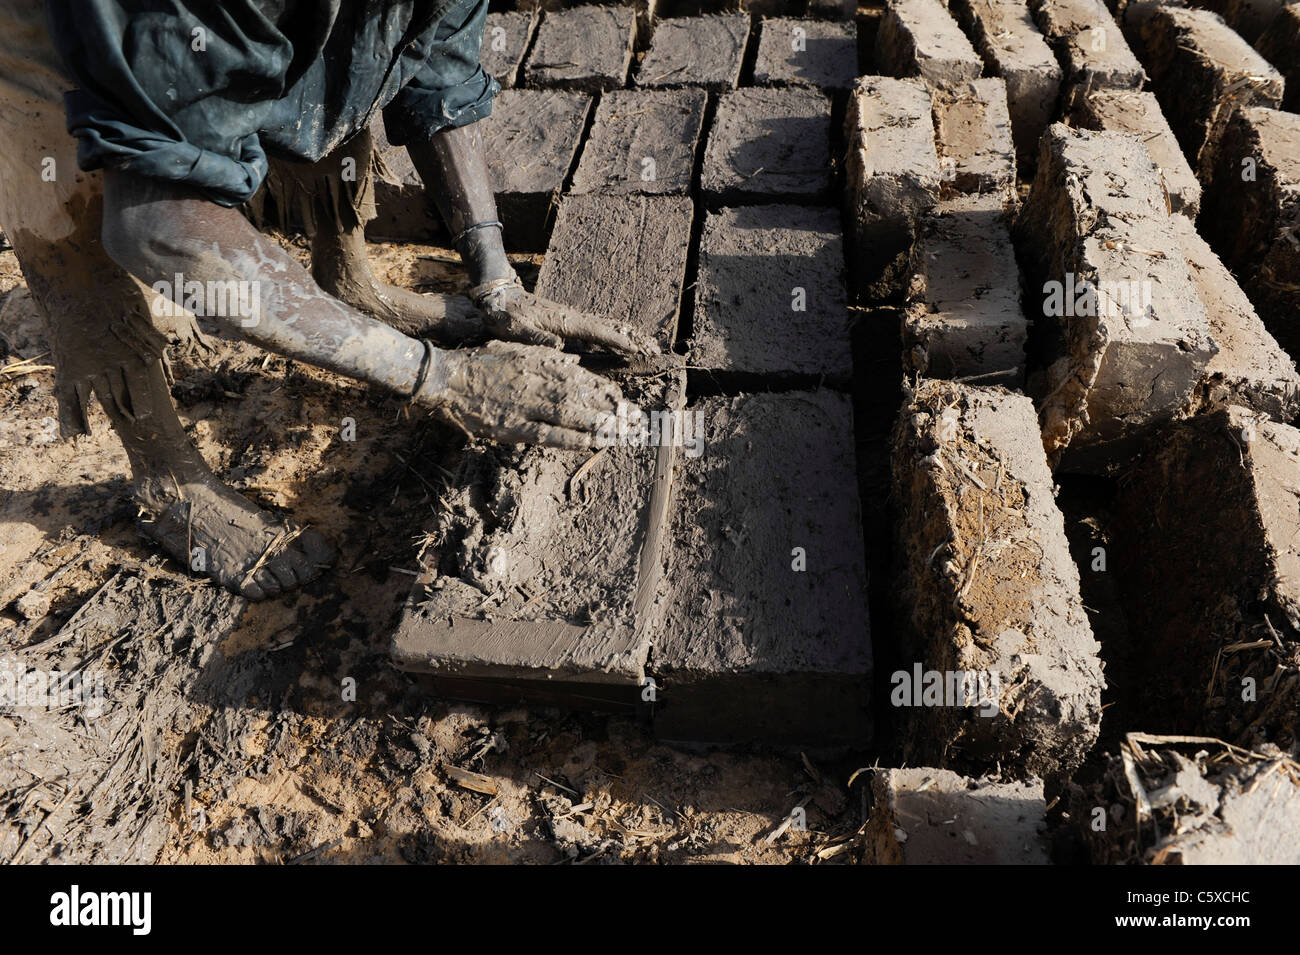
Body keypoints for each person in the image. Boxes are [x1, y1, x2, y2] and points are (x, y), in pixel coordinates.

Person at [0, 0, 648, 600]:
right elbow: (162, 225)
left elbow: (435, 57)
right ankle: (165, 476)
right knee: (68, 216)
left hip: (238, 22)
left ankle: (350, 286)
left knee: (353, 48)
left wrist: (497, 279)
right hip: (59, 28)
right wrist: (444, 379)